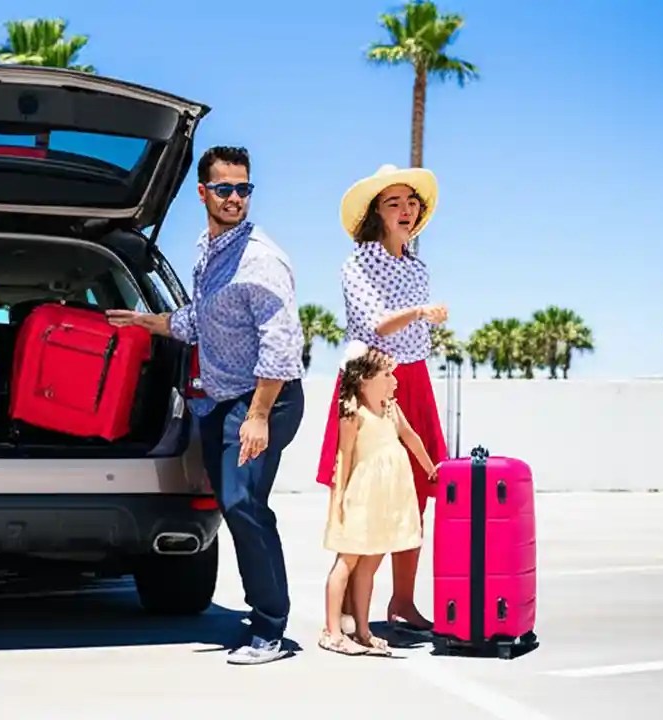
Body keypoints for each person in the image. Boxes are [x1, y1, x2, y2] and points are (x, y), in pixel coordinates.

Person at [105, 146, 305, 666]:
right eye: (225, 189)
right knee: (234, 505)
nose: (235, 197)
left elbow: (281, 347)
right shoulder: (206, 250)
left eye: (243, 188)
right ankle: (266, 619)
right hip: (219, 399)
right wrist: (145, 322)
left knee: (243, 505)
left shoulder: (262, 259)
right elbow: (198, 320)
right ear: (204, 193)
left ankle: (269, 630)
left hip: (265, 398)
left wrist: (258, 416)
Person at [315, 164, 448, 635]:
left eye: (410, 201)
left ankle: (403, 603)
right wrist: (418, 312)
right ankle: (347, 610)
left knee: (416, 494)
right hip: (371, 380)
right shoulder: (360, 262)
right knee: (361, 490)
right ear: (377, 212)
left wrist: (419, 314)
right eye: (393, 202)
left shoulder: (417, 265)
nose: (405, 209)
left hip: (413, 378)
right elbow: (374, 325)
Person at [320, 341, 438, 657]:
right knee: (346, 562)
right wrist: (340, 498)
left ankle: (361, 631)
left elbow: (412, 438)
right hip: (360, 496)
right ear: (366, 378)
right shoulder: (351, 413)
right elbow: (343, 457)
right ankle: (333, 632)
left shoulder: (390, 408)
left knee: (369, 565)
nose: (395, 380)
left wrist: (430, 469)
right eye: (388, 374)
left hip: (386, 498)